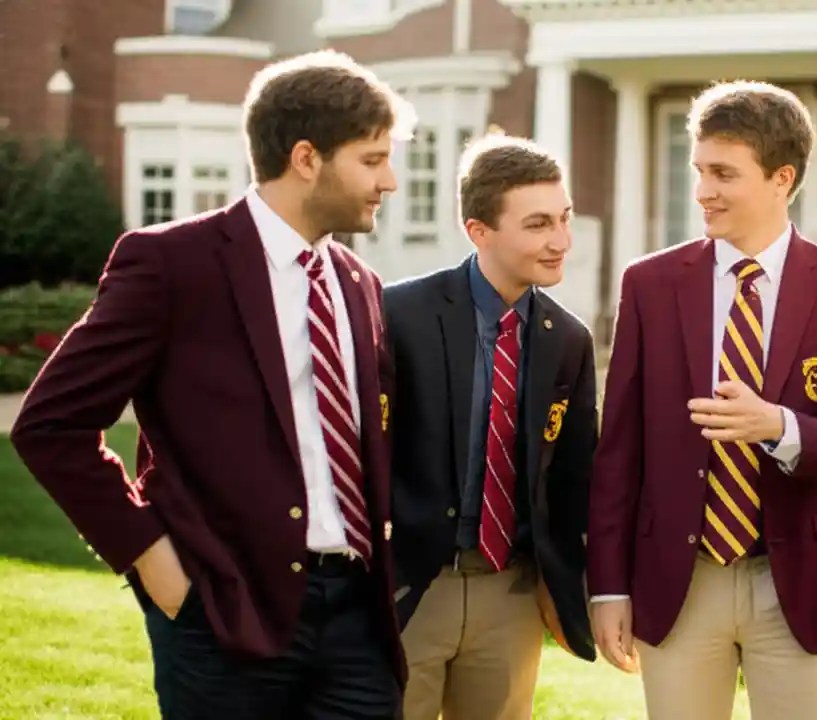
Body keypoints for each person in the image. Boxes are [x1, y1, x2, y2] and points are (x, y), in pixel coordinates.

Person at [11, 50, 415, 719]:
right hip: (221, 613)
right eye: (372, 160)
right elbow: (51, 426)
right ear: (307, 157)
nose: (390, 180)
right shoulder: (172, 264)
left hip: (356, 624)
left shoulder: (359, 285)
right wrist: (156, 568)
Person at [587, 80, 817, 720]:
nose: (702, 191)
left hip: (793, 584)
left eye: (723, 173)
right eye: (699, 170)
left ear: (781, 177)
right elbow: (618, 454)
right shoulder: (650, 285)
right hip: (677, 581)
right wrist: (607, 587)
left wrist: (778, 425)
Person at [384, 133, 597, 720]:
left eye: (563, 219)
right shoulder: (397, 315)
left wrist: (567, 584)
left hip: (512, 592)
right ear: (480, 232)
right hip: (411, 585)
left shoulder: (569, 340)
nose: (560, 241)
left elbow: (574, 478)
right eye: (537, 225)